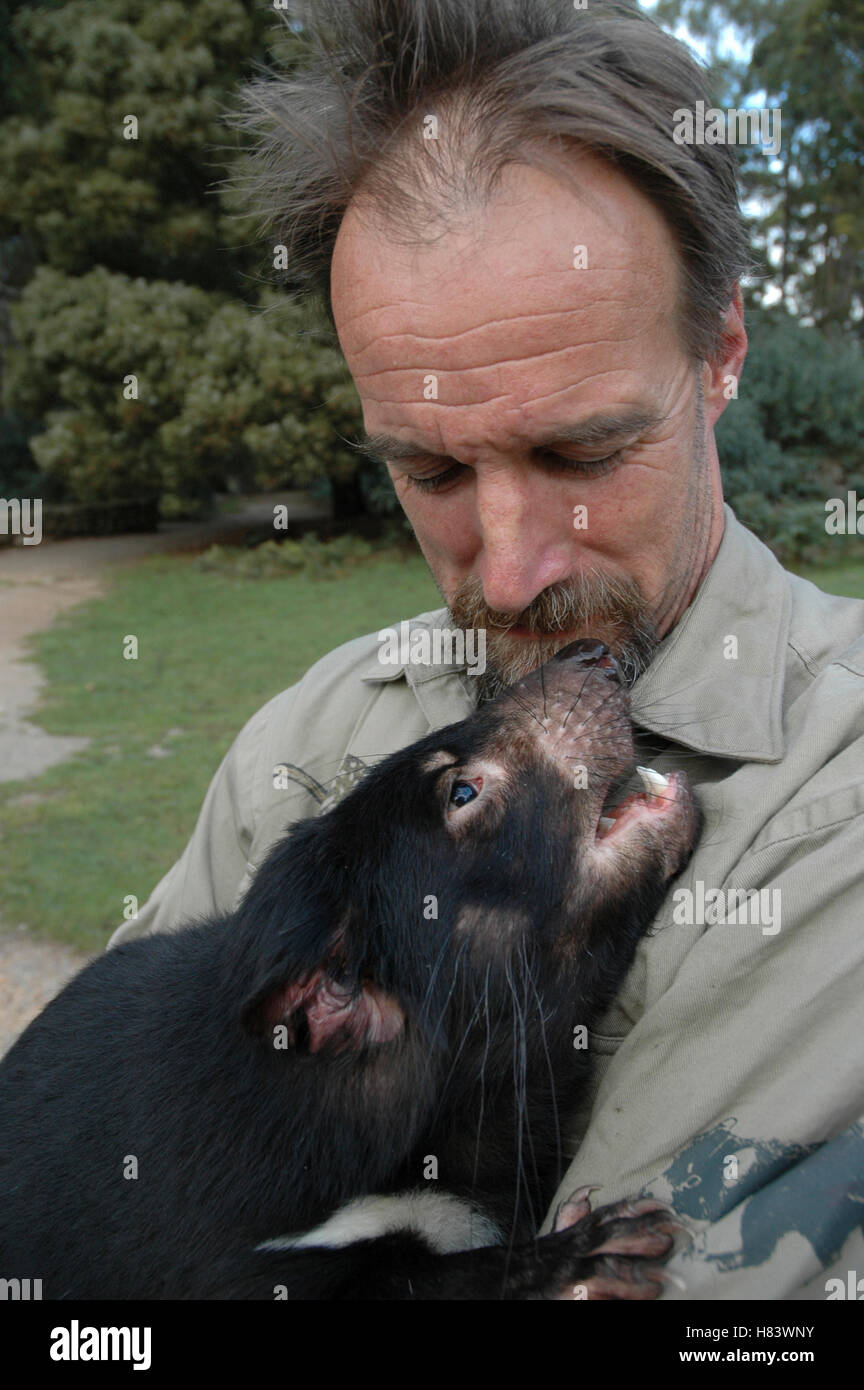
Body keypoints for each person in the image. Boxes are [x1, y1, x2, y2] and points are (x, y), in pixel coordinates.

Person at [110, 0, 864, 1300]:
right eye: (433, 468)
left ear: (722, 351)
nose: (510, 569)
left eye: (581, 453)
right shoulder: (310, 738)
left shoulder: (837, 806)